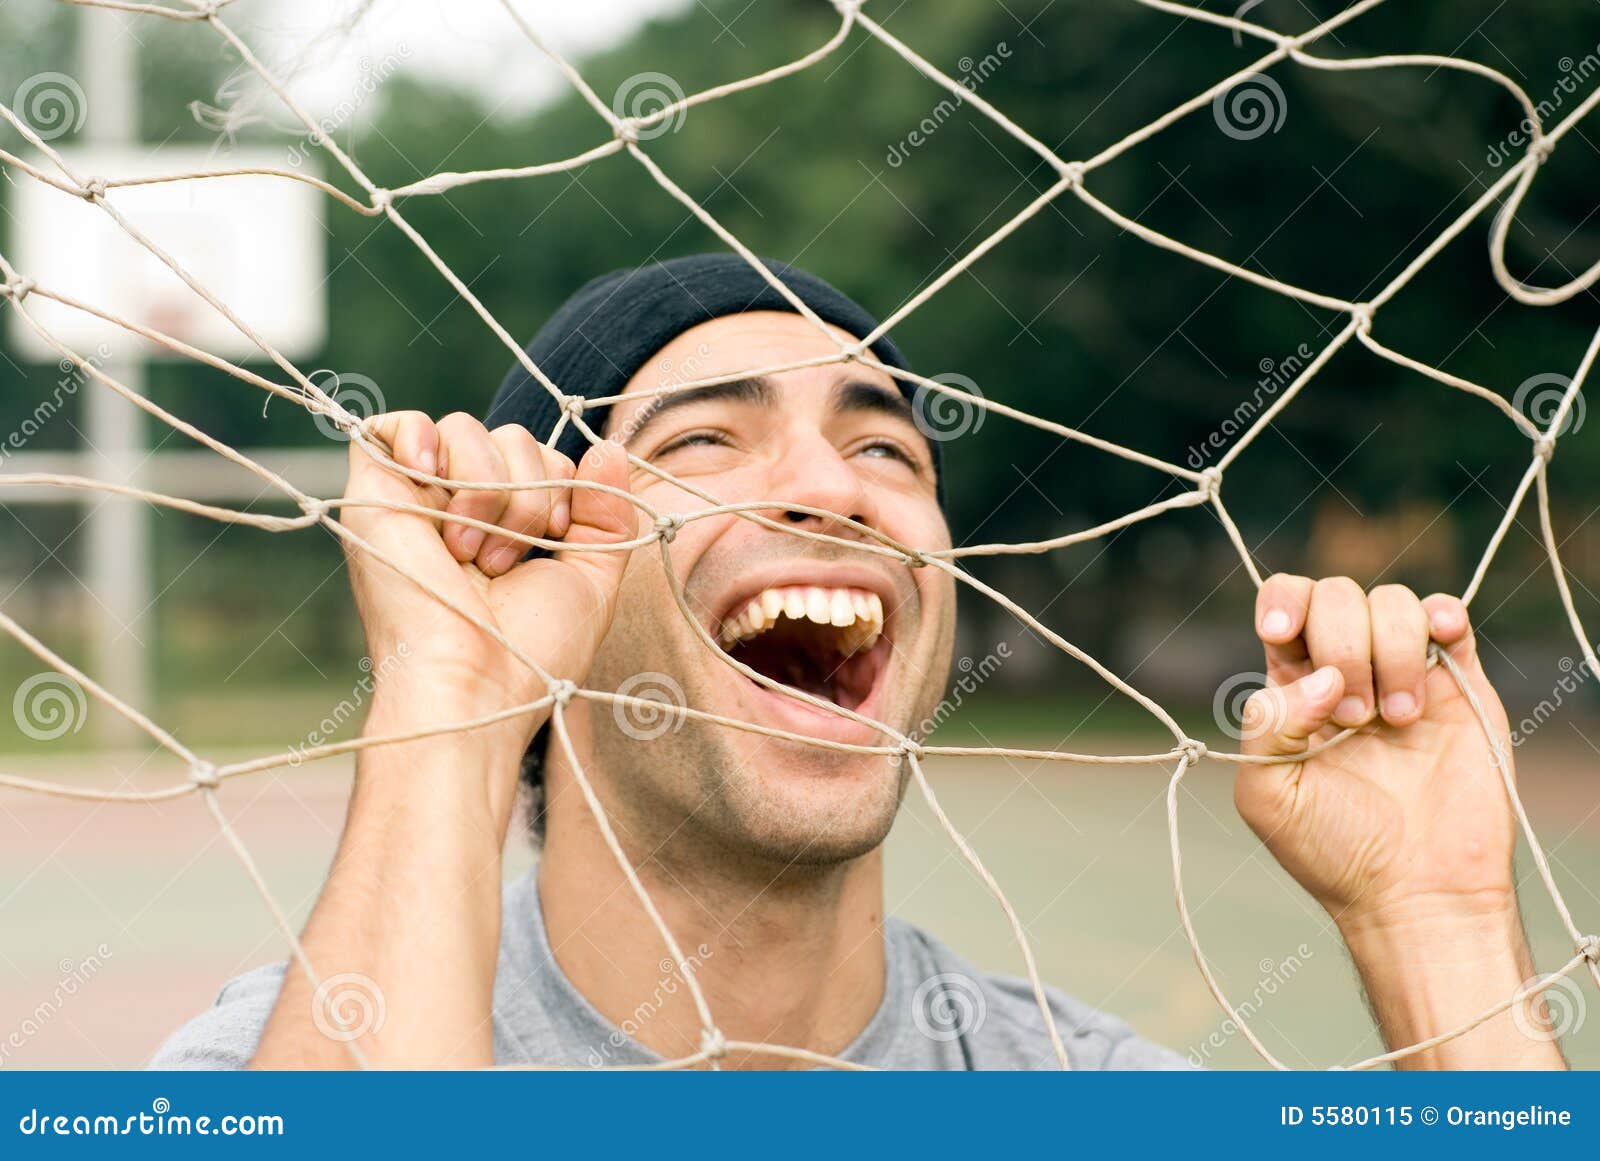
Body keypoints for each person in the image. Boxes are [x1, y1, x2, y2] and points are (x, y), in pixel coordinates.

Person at [151, 255, 1562, 1070]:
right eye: (706, 439)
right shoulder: (270, 1065)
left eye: (887, 446)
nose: (834, 487)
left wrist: (1429, 924)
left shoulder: (1084, 1091)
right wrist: (447, 703)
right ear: (538, 573)